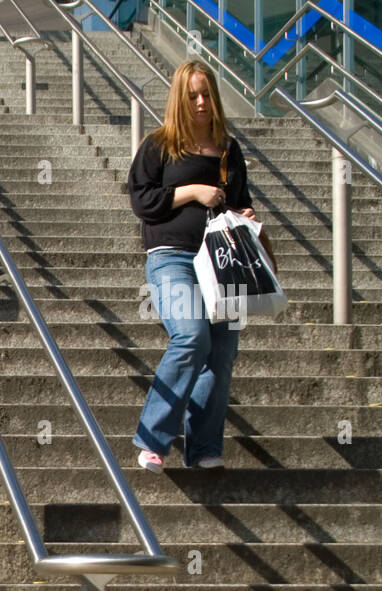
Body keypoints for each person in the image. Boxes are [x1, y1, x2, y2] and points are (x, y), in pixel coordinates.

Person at [127, 60, 258, 472]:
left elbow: (237, 199)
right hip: (173, 257)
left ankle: (203, 450)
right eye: (193, 95)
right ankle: (153, 439)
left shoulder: (228, 148)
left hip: (223, 264)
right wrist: (192, 192)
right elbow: (141, 201)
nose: (201, 103)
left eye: (207, 94)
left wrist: (246, 213)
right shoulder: (160, 145)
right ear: (180, 100)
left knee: (222, 352)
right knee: (191, 336)